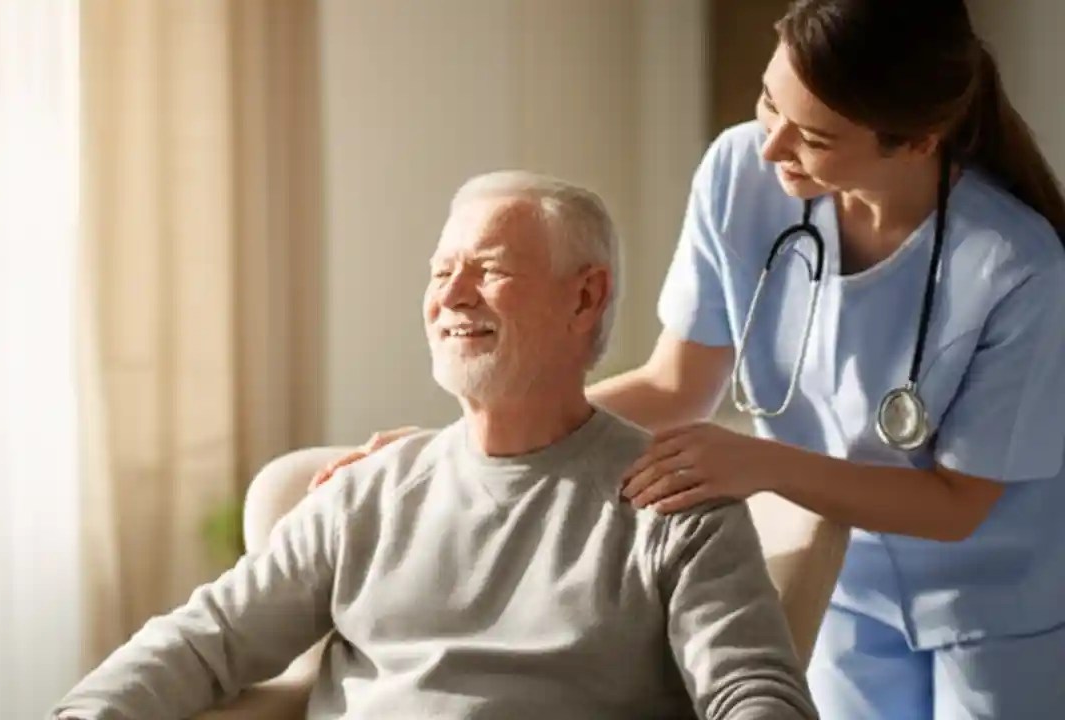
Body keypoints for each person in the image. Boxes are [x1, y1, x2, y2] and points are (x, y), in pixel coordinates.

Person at [317, 2, 1065, 718]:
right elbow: (677, 385)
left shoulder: (1014, 265)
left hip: (996, 606)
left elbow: (958, 504)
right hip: (842, 591)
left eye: (815, 137)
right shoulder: (742, 173)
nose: (771, 145)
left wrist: (764, 465)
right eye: (769, 103)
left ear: (918, 139)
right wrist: (451, 450)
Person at [50, 172, 818, 719]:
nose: (450, 297)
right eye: (441, 271)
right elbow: (207, 639)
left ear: (585, 296)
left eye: (487, 270)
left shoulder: (672, 500)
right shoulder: (366, 492)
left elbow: (754, 694)